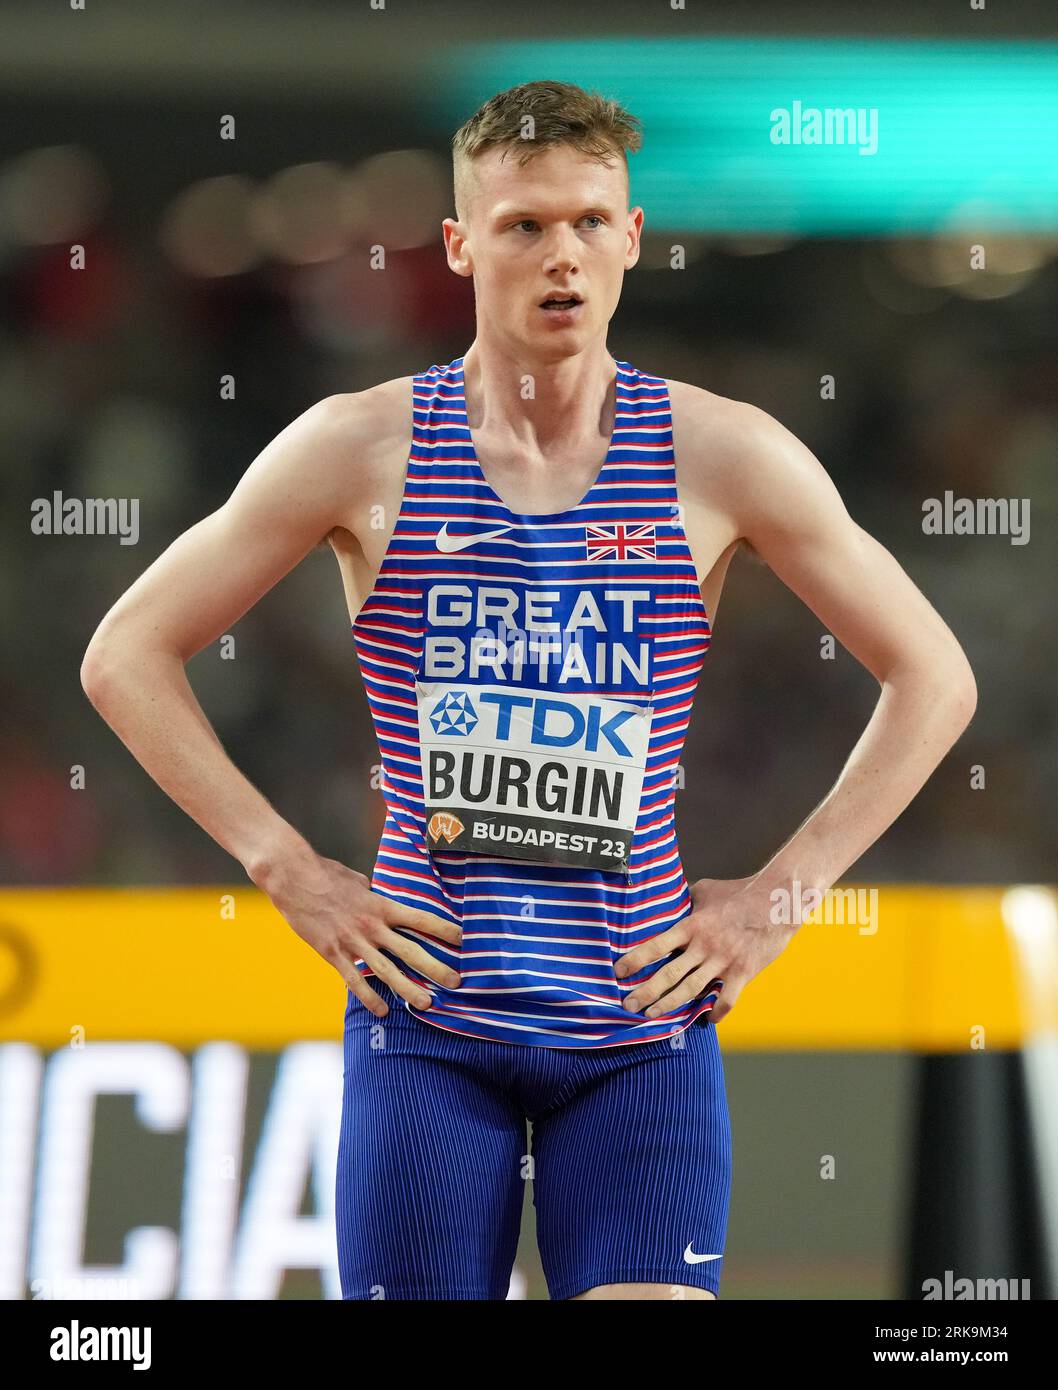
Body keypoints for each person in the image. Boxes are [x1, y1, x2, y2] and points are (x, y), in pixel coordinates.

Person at [81, 79, 977, 1301]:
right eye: (522, 227)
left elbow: (931, 674)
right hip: (429, 1024)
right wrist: (283, 863)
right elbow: (125, 651)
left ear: (632, 237)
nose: (561, 257)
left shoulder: (722, 453)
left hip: (637, 1030)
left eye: (587, 224)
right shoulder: (360, 446)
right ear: (459, 244)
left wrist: (778, 896)